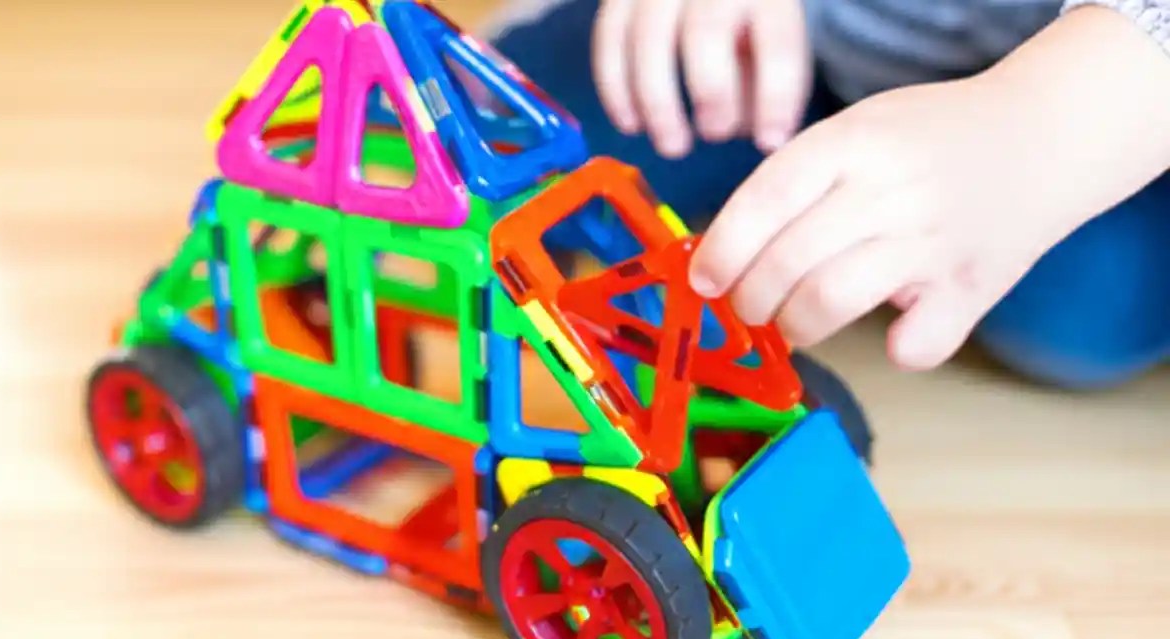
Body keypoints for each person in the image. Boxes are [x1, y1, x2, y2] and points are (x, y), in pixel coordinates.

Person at [483, 0, 1170, 389]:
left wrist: (1043, 125)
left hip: (1105, 114)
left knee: (1083, 313)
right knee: (501, 116)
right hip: (800, 40)